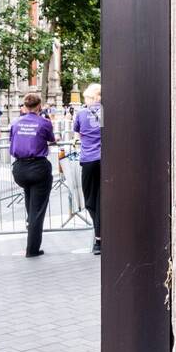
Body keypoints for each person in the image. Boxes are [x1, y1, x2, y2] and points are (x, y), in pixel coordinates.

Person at [9, 92, 57, 258]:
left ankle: (31, 242)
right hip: (38, 167)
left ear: (24, 106)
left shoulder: (15, 122)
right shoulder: (44, 123)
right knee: (37, 210)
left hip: (20, 168)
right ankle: (32, 249)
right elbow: (52, 140)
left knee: (31, 206)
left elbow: (12, 140)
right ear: (39, 106)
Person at [73, 84, 102, 255]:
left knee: (90, 199)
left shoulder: (82, 113)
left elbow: (77, 132)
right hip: (105, 160)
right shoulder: (107, 111)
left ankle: (99, 237)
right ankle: (100, 235)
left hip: (89, 160)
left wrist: (78, 140)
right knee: (101, 199)